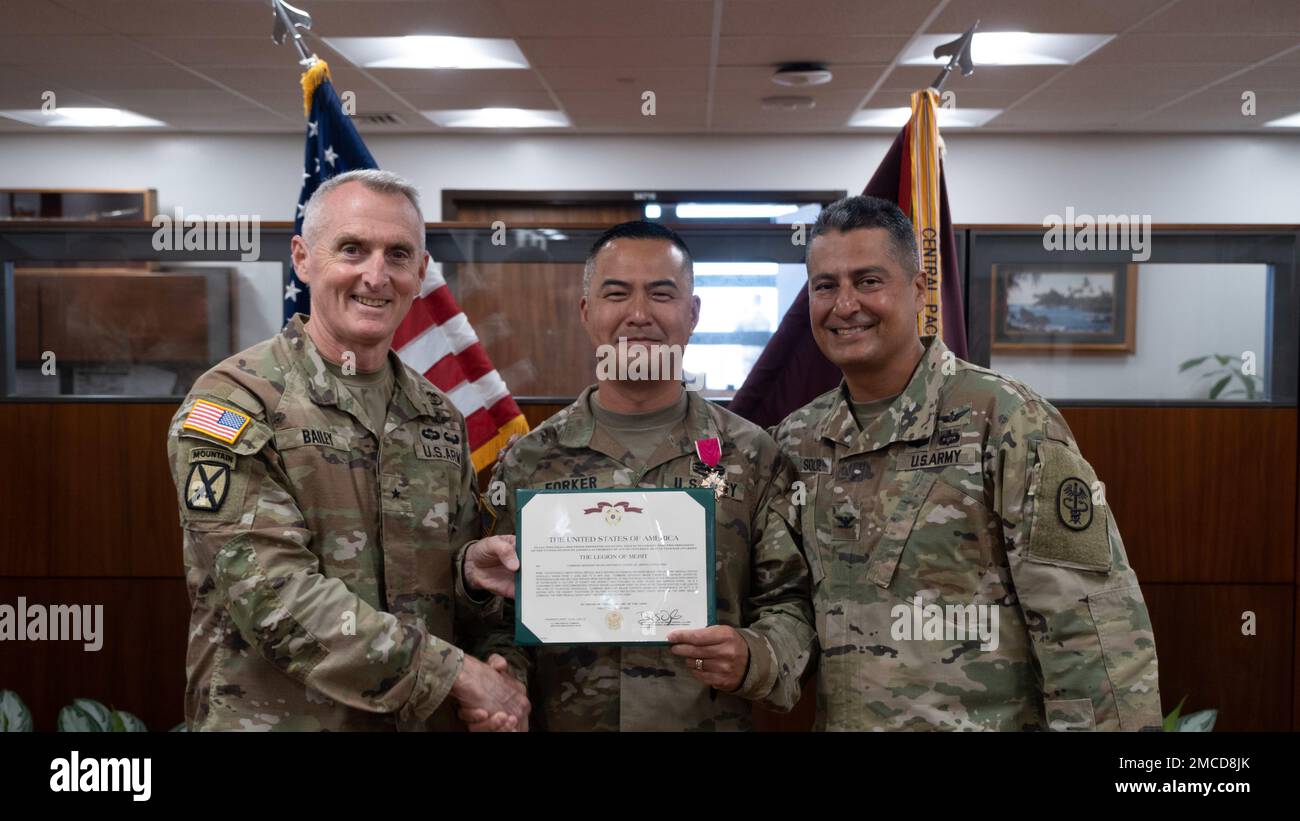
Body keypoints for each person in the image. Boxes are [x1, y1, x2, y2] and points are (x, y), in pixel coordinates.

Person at [774, 195, 1161, 731]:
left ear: (918, 288)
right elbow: (787, 602)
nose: (844, 305)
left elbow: (1093, 625)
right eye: (825, 286)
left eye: (867, 281)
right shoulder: (800, 439)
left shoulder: (1007, 420)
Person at [167, 169, 527, 731]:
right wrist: (458, 675)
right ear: (303, 258)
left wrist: (468, 578)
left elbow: (441, 582)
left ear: (421, 272)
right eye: (353, 249)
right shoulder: (236, 402)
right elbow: (273, 596)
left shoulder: (437, 416)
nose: (375, 276)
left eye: (398, 254)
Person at [472, 221, 816, 731]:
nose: (639, 315)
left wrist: (754, 655)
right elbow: (498, 617)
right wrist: (505, 679)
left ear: (692, 313)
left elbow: (791, 602)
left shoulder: (751, 454)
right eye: (617, 294)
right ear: (587, 312)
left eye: (661, 294)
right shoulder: (528, 461)